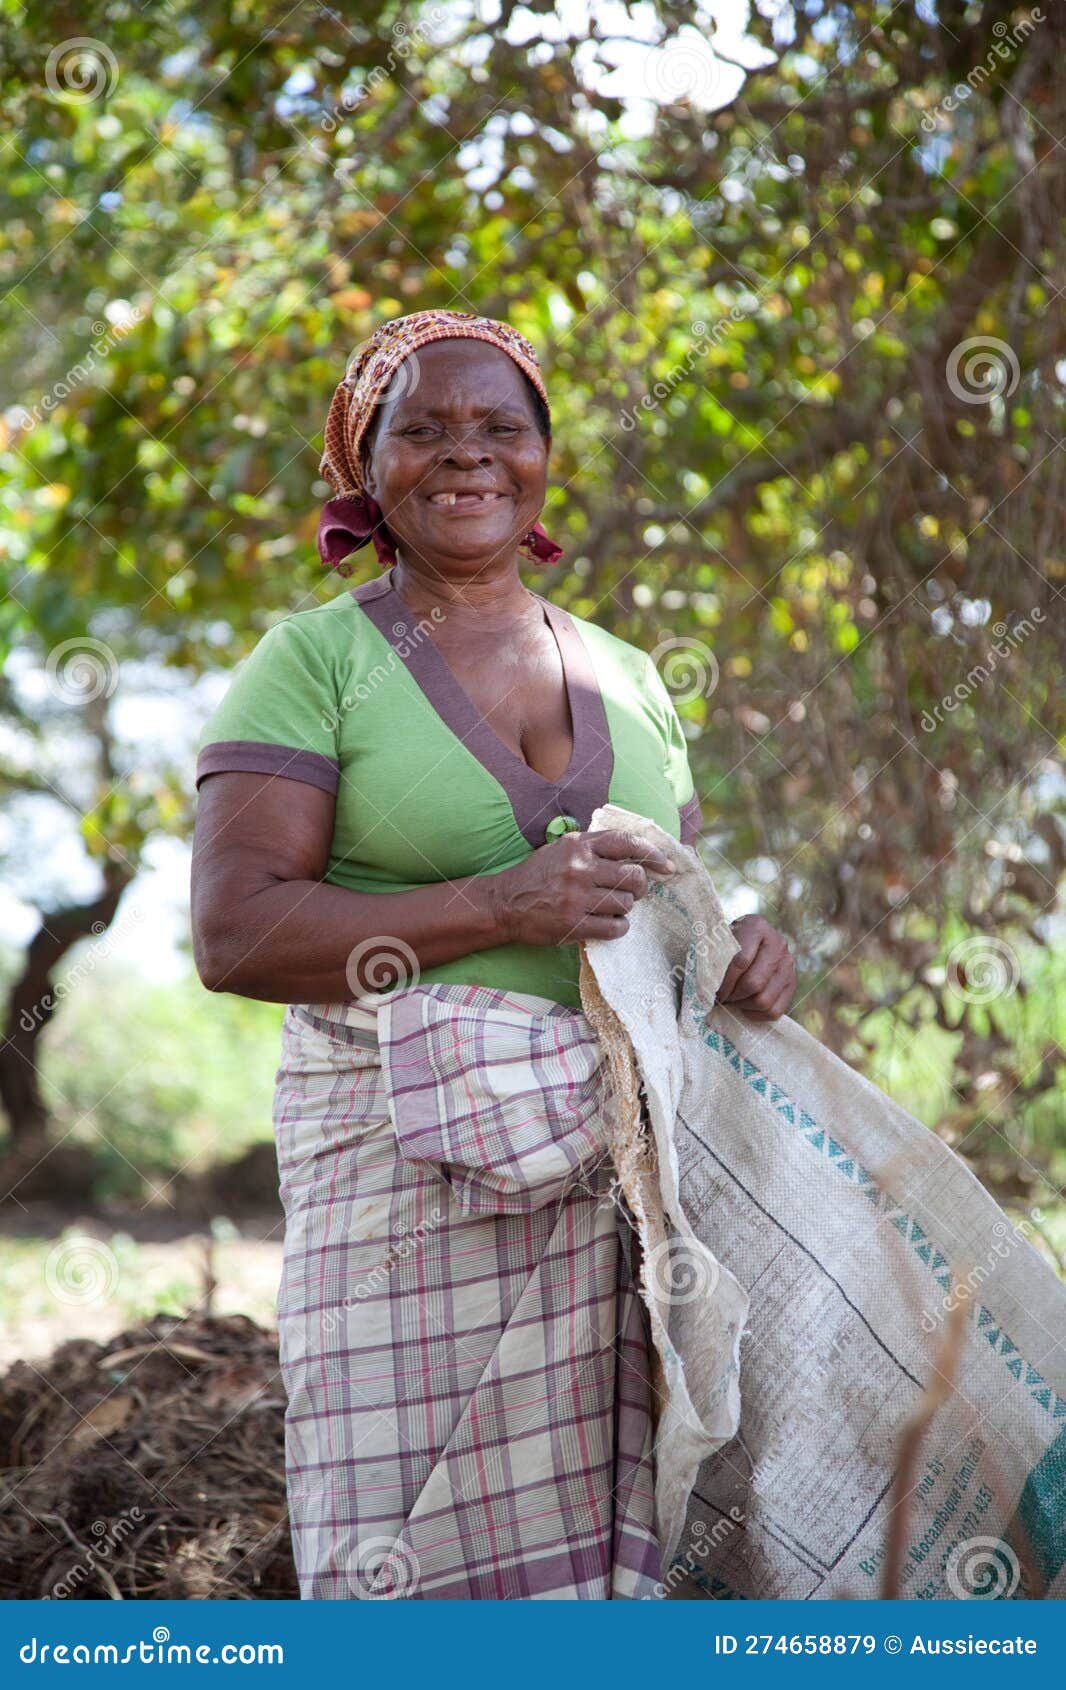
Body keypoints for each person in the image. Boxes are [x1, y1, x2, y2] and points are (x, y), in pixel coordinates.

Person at [191, 307, 796, 1599]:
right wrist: (494, 906)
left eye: (498, 428)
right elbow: (236, 932)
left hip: (614, 1184)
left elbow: (657, 920)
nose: (466, 455)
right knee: (404, 1545)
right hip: (402, 1187)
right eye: (423, 428)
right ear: (368, 465)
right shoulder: (312, 662)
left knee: (612, 1541)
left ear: (542, 459)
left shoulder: (631, 676)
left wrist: (736, 950)